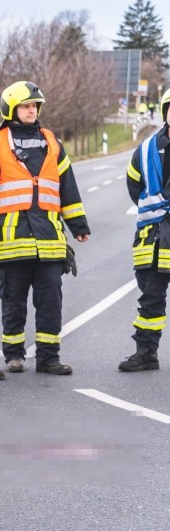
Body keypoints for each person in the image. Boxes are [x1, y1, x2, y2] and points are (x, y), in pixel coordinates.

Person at [0, 81, 90, 374]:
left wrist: (78, 224)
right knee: (13, 301)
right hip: (12, 241)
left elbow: (67, 186)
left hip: (50, 241)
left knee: (51, 300)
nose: (31, 111)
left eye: (34, 106)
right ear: (11, 109)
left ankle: (49, 358)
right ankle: (14, 355)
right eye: (26, 106)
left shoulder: (51, 141)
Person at [121, 88, 170, 372]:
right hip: (153, 236)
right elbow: (134, 185)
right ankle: (146, 352)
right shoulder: (148, 147)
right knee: (150, 298)